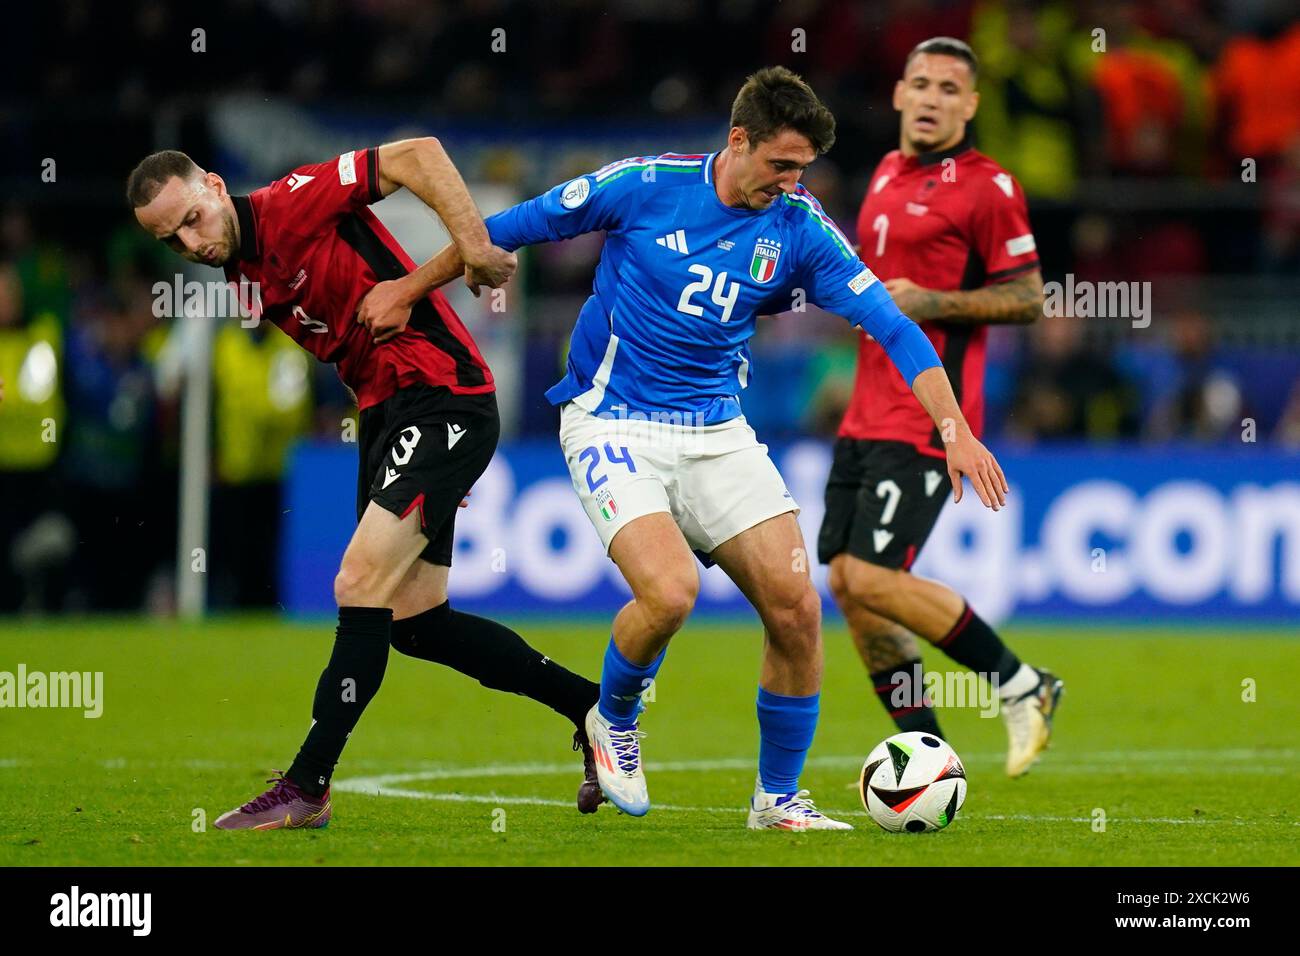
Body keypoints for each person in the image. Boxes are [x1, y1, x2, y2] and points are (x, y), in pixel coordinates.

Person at [376, 68, 1009, 829]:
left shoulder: (800, 226)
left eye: (802, 169)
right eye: (781, 164)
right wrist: (410, 288)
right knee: (670, 594)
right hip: (612, 422)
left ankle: (776, 800)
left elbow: (896, 327)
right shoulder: (645, 185)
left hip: (716, 432)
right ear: (737, 141)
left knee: (797, 611)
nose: (790, 182)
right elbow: (509, 227)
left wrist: (954, 428)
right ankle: (611, 721)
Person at [127, 139, 605, 828]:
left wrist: (469, 245)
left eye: (192, 217)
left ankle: (307, 784)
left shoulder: (289, 202)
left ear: (213, 183)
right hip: (386, 413)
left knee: (357, 584)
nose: (188, 241)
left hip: (442, 396)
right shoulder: (242, 271)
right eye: (169, 239)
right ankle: (591, 706)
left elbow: (420, 154)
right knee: (414, 623)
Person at [818, 38, 1062, 778]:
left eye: (949, 89)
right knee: (849, 588)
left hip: (930, 416)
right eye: (920, 84)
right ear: (897, 94)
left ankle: (1023, 685)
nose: (931, 98)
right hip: (863, 413)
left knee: (870, 576)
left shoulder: (989, 187)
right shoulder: (888, 173)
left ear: (972, 106)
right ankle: (929, 754)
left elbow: (1029, 297)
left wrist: (933, 303)